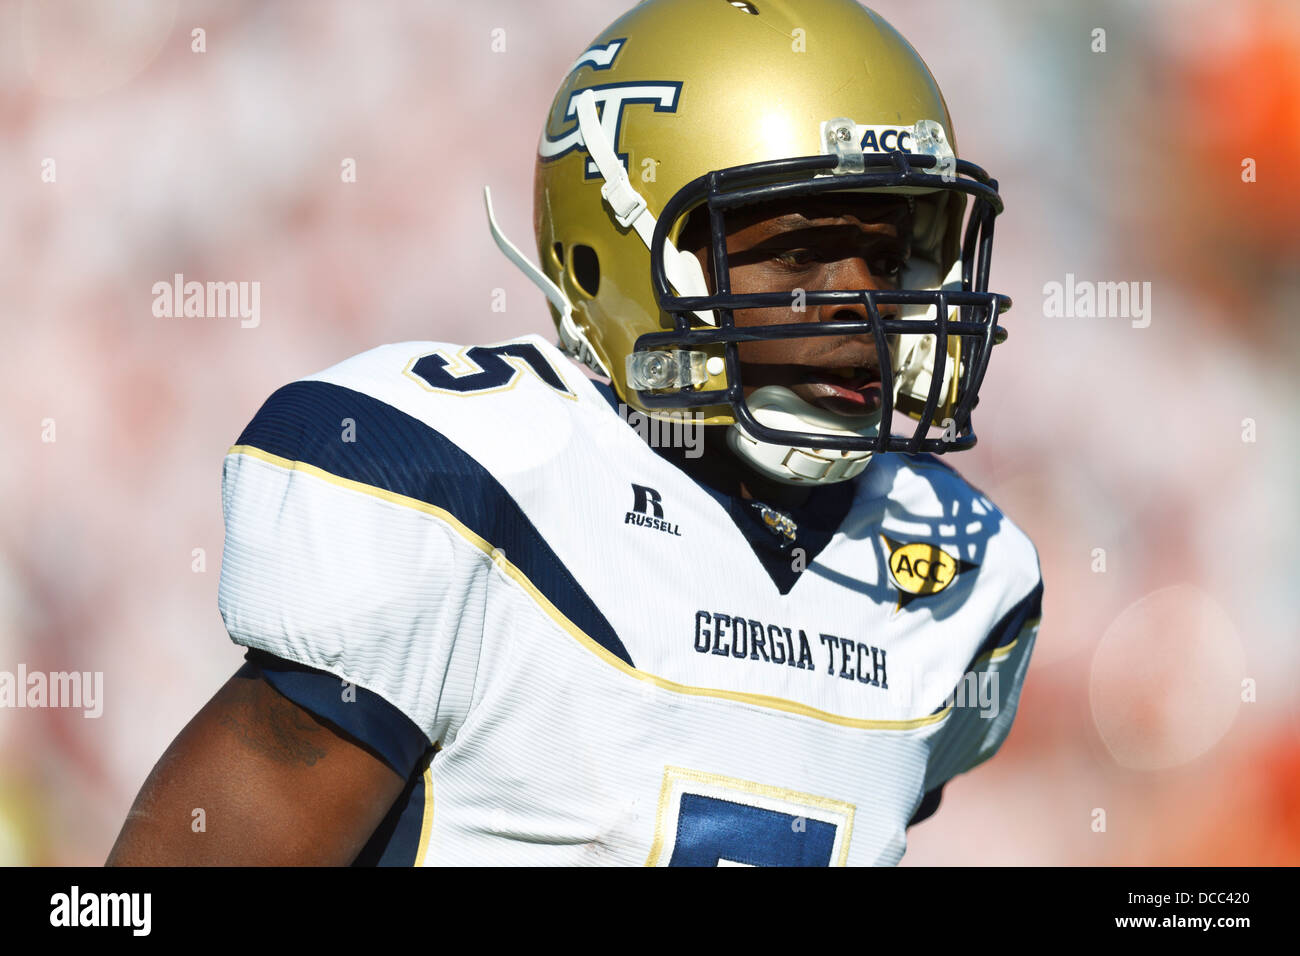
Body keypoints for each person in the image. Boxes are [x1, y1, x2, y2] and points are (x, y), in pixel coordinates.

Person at [107, 0, 1042, 866]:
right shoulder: (478, 481)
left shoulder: (955, 565)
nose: (862, 306)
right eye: (800, 252)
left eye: (886, 258)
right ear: (625, 247)